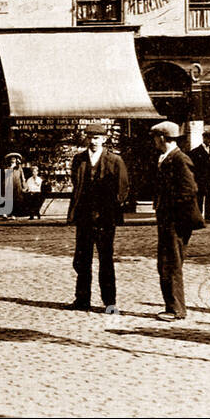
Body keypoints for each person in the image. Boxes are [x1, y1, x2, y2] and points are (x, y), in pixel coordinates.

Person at [65, 124, 129, 315]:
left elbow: (123, 188)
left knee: (106, 261)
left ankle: (110, 303)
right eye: (90, 137)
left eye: (97, 138)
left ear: (104, 139)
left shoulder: (115, 160)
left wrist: (110, 207)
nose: (93, 141)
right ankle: (82, 299)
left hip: (105, 220)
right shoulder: (79, 159)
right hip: (84, 218)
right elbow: (76, 185)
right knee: (82, 260)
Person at [152, 120, 202, 321]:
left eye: (155, 138)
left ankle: (176, 309)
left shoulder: (179, 159)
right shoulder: (166, 157)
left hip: (175, 221)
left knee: (172, 263)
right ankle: (171, 306)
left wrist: (173, 210)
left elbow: (190, 190)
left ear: (162, 138)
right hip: (168, 220)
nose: (154, 141)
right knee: (165, 263)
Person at [188, 129, 210, 223]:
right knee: (199, 198)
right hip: (200, 179)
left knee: (209, 197)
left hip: (209, 179)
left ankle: (208, 214)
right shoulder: (195, 152)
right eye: (208, 138)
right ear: (204, 138)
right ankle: (199, 215)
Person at [4, 152, 26, 219]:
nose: (13, 160)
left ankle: (14, 214)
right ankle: (7, 213)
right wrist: (11, 167)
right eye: (12, 159)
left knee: (16, 200)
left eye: (14, 159)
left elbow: (22, 178)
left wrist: (24, 186)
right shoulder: (7, 167)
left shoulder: (19, 168)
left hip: (17, 186)